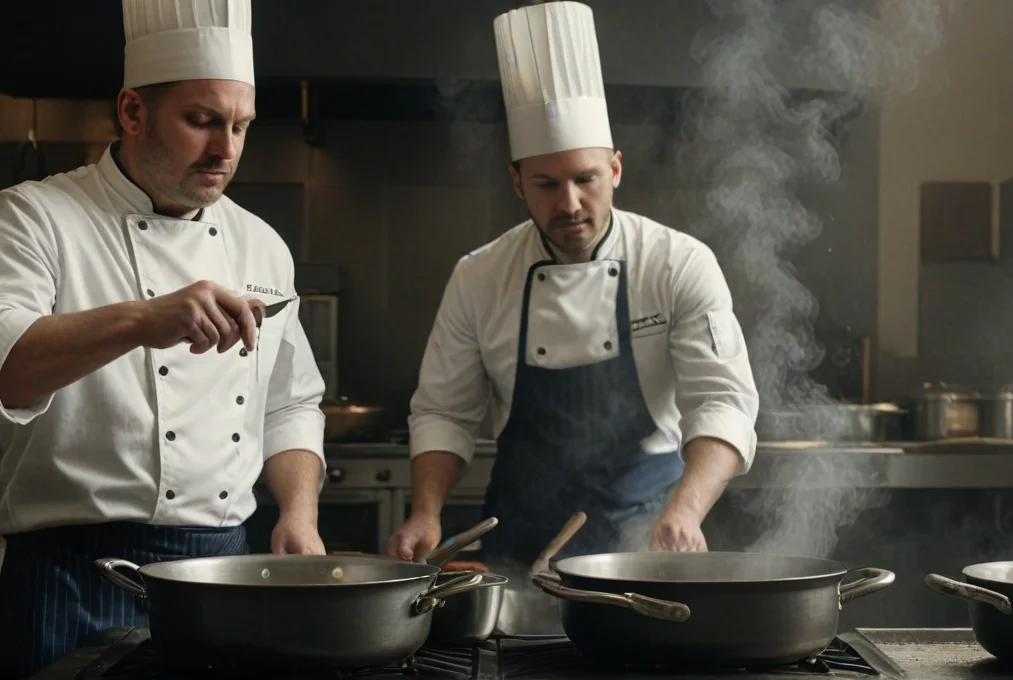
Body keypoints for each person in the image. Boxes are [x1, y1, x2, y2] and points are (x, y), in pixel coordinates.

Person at [0, 1, 327, 676]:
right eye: (201, 120)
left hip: (223, 573)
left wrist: (298, 513)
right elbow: (9, 369)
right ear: (132, 111)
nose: (225, 149)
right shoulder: (35, 217)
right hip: (71, 572)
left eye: (240, 126)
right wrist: (146, 319)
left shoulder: (260, 243)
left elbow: (290, 402)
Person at [387, 0, 760, 569]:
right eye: (546, 184)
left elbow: (722, 400)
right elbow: (444, 412)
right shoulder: (480, 275)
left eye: (586, 179)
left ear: (615, 169)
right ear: (517, 182)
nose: (569, 204)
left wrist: (686, 510)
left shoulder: (677, 263)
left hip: (644, 545)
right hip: (518, 548)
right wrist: (426, 511)